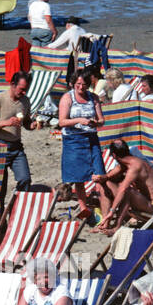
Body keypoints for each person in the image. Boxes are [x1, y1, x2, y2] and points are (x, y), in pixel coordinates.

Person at [58, 69, 105, 221]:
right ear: (73, 83)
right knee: (78, 177)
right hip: (73, 140)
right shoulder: (67, 98)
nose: (81, 87)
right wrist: (78, 120)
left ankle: (100, 207)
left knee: (99, 174)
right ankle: (84, 207)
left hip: (91, 138)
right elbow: (62, 122)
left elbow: (102, 121)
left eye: (84, 85)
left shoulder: (94, 98)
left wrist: (94, 122)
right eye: (78, 84)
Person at [93, 139, 153, 232]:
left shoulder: (135, 166)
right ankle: (105, 223)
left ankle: (117, 226)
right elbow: (108, 176)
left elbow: (123, 189)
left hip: (152, 207)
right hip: (140, 201)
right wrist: (100, 178)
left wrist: (112, 211)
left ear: (114, 155)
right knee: (105, 183)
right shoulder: (126, 163)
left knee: (127, 191)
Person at [0, 72, 33, 192]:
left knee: (25, 179)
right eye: (22, 89)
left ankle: (16, 206)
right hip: (0, 146)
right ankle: (1, 211)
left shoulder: (25, 101)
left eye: (26, 89)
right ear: (12, 84)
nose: (24, 92)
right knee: (0, 189)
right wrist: (6, 122)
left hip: (17, 147)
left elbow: (26, 122)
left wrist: (32, 125)